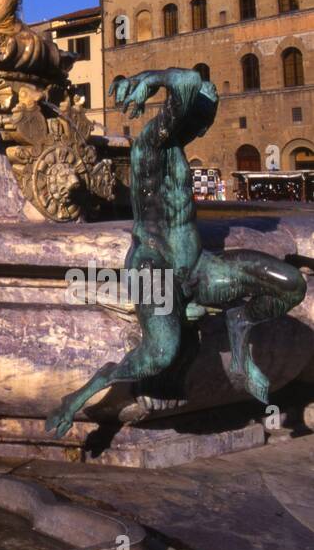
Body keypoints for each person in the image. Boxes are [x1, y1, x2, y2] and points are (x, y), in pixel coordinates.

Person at [46, 69, 307, 438]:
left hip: (198, 267)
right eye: (202, 117)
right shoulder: (152, 144)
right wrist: (149, 78)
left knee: (291, 285)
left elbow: (187, 88)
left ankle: (240, 324)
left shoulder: (178, 150)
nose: (203, 127)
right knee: (160, 354)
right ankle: (80, 396)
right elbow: (184, 82)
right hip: (154, 267)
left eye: (208, 120)